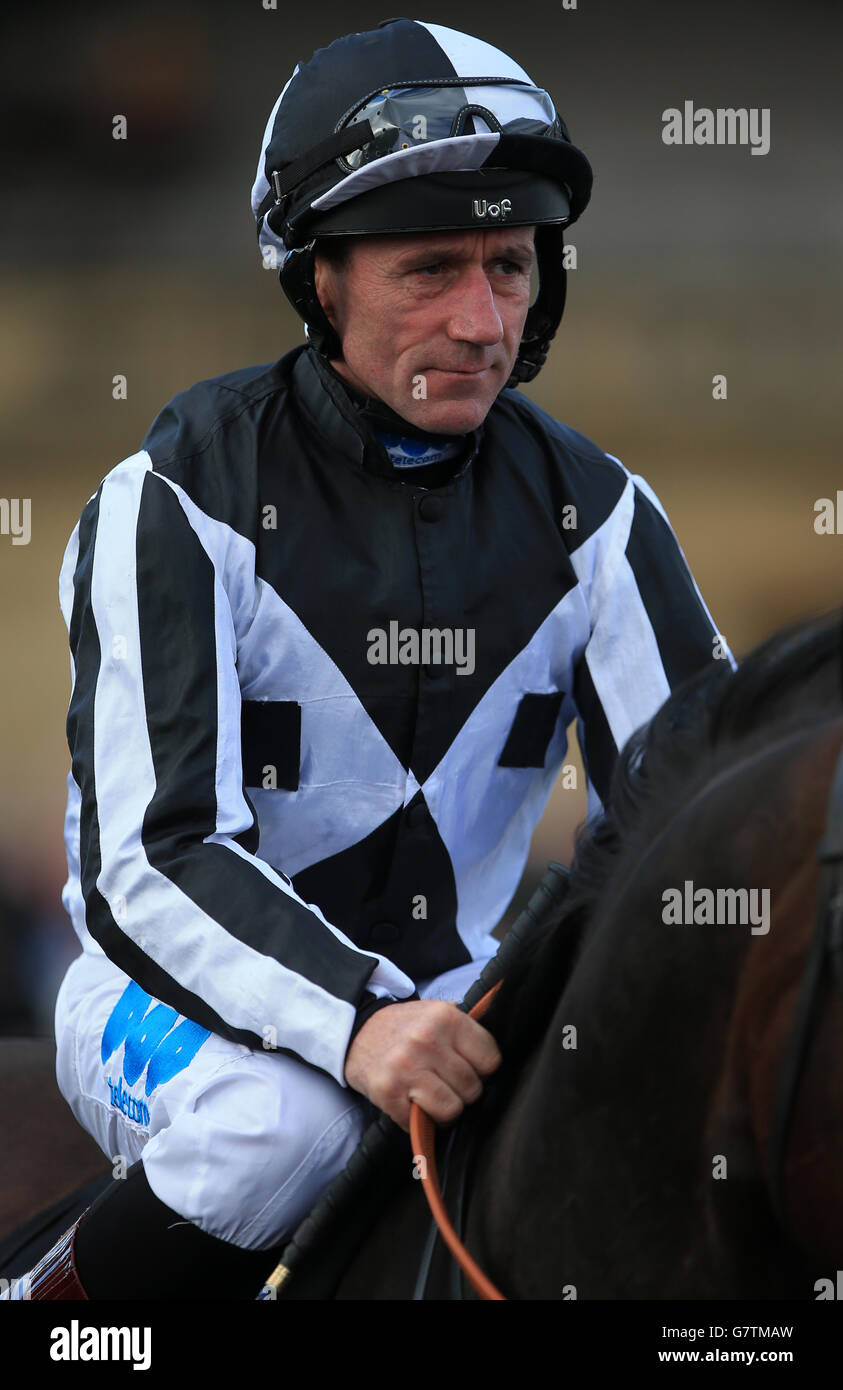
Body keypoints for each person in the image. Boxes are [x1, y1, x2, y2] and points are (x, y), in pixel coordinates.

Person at [3, 18, 733, 1300]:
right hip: (167, 998)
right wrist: (358, 1024)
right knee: (285, 1131)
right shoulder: (174, 495)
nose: (480, 318)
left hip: (459, 1013)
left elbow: (693, 811)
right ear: (320, 278)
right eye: (430, 268)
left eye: (510, 265)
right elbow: (150, 860)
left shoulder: (604, 516)